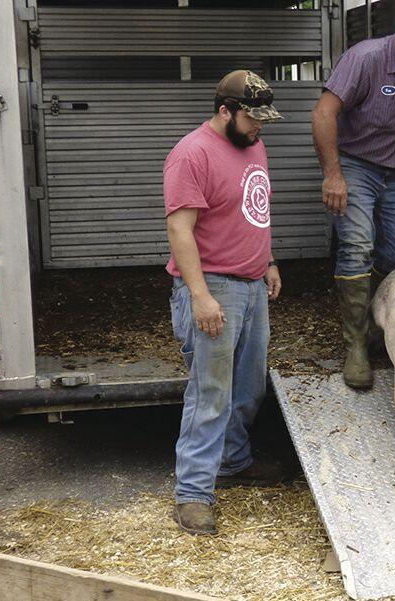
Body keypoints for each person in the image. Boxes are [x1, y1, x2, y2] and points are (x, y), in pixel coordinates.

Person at [165, 70, 290, 535]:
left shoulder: (251, 145)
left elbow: (253, 208)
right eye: (253, 119)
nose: (260, 127)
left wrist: (269, 260)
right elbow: (180, 229)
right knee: (210, 393)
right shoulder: (191, 154)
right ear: (224, 111)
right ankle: (192, 494)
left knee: (248, 387)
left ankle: (233, 461)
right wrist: (199, 296)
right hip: (214, 286)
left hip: (253, 283)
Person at [311, 8, 395, 390]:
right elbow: (324, 113)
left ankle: (380, 332)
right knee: (357, 248)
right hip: (356, 165)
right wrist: (333, 174)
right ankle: (355, 346)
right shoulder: (364, 59)